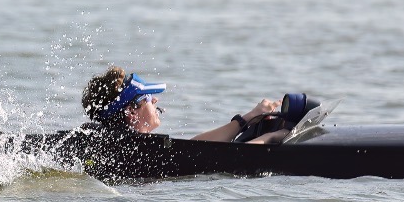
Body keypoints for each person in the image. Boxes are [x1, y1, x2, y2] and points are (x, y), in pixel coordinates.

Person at [81, 67, 313, 143]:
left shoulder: (119, 143)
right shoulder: (138, 149)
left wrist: (249, 117)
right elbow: (220, 162)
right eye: (148, 98)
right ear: (131, 112)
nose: (156, 100)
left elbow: (193, 150)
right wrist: (272, 137)